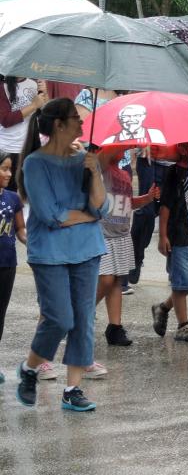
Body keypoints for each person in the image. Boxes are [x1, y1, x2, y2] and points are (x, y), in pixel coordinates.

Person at [14, 98, 109, 411]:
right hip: (50, 253)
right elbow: (49, 214)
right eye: (75, 118)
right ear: (58, 124)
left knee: (84, 320)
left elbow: (101, 207)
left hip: (87, 251)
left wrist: (94, 172)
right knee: (59, 318)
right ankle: (29, 369)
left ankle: (73, 390)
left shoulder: (83, 158)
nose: (82, 123)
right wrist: (86, 215)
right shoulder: (34, 163)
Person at [95, 147, 159, 351]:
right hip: (103, 233)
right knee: (105, 278)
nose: (124, 150)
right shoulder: (100, 168)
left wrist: (147, 198)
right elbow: (103, 157)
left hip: (121, 234)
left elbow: (127, 203)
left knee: (116, 281)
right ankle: (81, 312)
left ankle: (115, 327)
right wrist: (121, 141)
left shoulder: (124, 173)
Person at [151, 144, 188, 343]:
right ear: (182, 149)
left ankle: (163, 307)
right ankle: (183, 325)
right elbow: (165, 206)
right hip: (178, 233)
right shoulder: (174, 172)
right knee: (180, 281)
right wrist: (163, 235)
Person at [0, 153, 22, 382]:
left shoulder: (13, 198)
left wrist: (32, 240)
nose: (8, 174)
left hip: (7, 264)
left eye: (10, 169)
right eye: (4, 169)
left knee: (0, 314)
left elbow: (20, 229)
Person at [0, 75, 47, 162]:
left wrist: (44, 92)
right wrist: (33, 106)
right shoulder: (2, 87)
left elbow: (44, 111)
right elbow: (5, 120)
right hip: (9, 147)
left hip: (31, 144)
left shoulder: (34, 83)